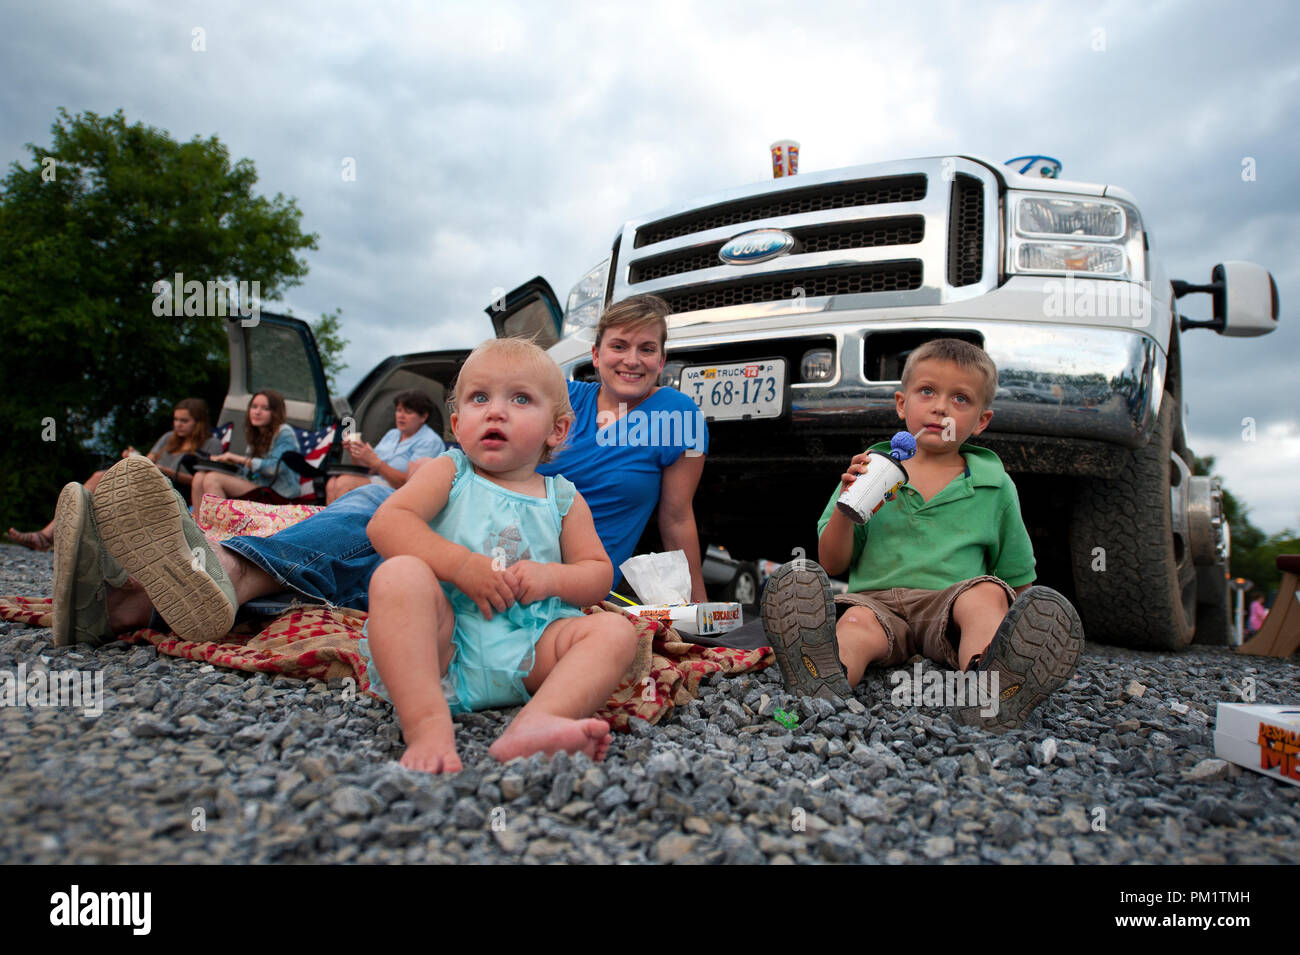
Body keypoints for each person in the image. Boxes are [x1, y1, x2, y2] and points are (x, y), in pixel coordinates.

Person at [72, 295, 708, 648]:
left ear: (663, 359)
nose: (632, 359)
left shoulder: (675, 416)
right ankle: (146, 598)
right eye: (618, 346)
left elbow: (676, 517)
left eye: (647, 349)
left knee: (377, 544)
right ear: (593, 354)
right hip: (469, 506)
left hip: (535, 553)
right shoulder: (549, 398)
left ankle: (208, 576)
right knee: (365, 512)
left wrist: (699, 613)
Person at [760, 338, 1084, 732]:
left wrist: (1013, 623)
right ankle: (824, 675)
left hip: (948, 608)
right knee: (854, 625)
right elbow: (831, 563)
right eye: (927, 391)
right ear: (902, 403)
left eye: (961, 399)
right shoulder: (868, 471)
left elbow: (1019, 580)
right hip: (876, 603)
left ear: (982, 420)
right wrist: (848, 508)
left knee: (987, 595)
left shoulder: (994, 486)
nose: (941, 407)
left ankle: (993, 680)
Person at [362, 338, 637, 772]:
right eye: (479, 398)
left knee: (614, 632)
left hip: (532, 649)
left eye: (521, 398)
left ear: (557, 430)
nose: (495, 411)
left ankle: (539, 720)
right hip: (444, 646)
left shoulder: (563, 497)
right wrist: (460, 565)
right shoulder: (451, 471)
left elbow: (598, 574)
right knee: (398, 576)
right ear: (456, 423)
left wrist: (550, 578)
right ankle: (427, 725)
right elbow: (387, 524)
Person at [7, 397, 221, 551]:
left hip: (175, 492)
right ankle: (50, 535)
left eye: (184, 421)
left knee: (101, 479)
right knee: (100, 477)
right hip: (148, 482)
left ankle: (48, 538)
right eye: (175, 420)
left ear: (198, 422)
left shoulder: (211, 444)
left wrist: (164, 471)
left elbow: (201, 481)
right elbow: (149, 459)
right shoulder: (168, 438)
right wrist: (135, 457)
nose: (178, 425)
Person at [326, 389, 444, 502]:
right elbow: (370, 469)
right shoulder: (392, 434)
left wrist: (377, 463)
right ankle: (328, 521)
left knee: (344, 483)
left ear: (423, 417)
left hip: (402, 492)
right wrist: (357, 452)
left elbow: (410, 483)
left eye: (408, 412)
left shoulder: (430, 441)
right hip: (378, 482)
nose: (401, 416)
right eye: (398, 410)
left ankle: (339, 521)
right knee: (332, 483)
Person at [190, 390, 300, 506]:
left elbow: (273, 468)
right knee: (199, 476)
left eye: (265, 408)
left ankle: (220, 523)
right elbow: (249, 472)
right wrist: (229, 463)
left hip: (278, 491)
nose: (257, 412)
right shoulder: (257, 433)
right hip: (256, 483)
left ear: (275, 412)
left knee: (213, 479)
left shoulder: (284, 432)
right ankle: (198, 523)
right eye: (254, 407)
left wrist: (239, 459)